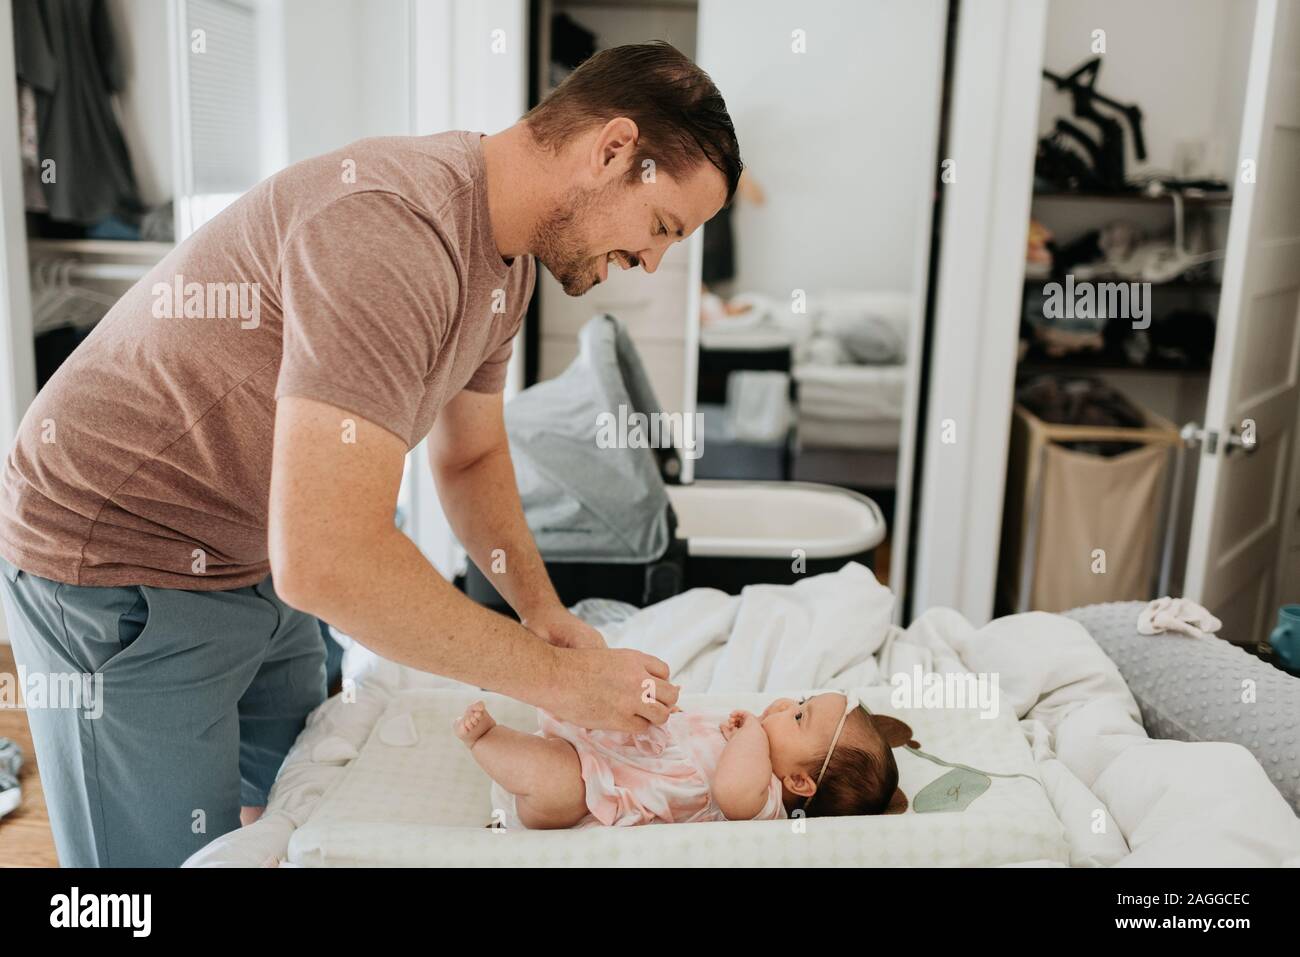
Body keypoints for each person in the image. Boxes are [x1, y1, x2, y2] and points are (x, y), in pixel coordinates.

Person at [0, 41, 741, 866]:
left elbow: (469, 458)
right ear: (611, 150)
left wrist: (543, 614)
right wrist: (555, 681)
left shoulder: (509, 268)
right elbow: (325, 558)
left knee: (304, 802)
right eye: (663, 226)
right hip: (117, 554)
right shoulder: (392, 229)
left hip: (253, 550)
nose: (652, 261)